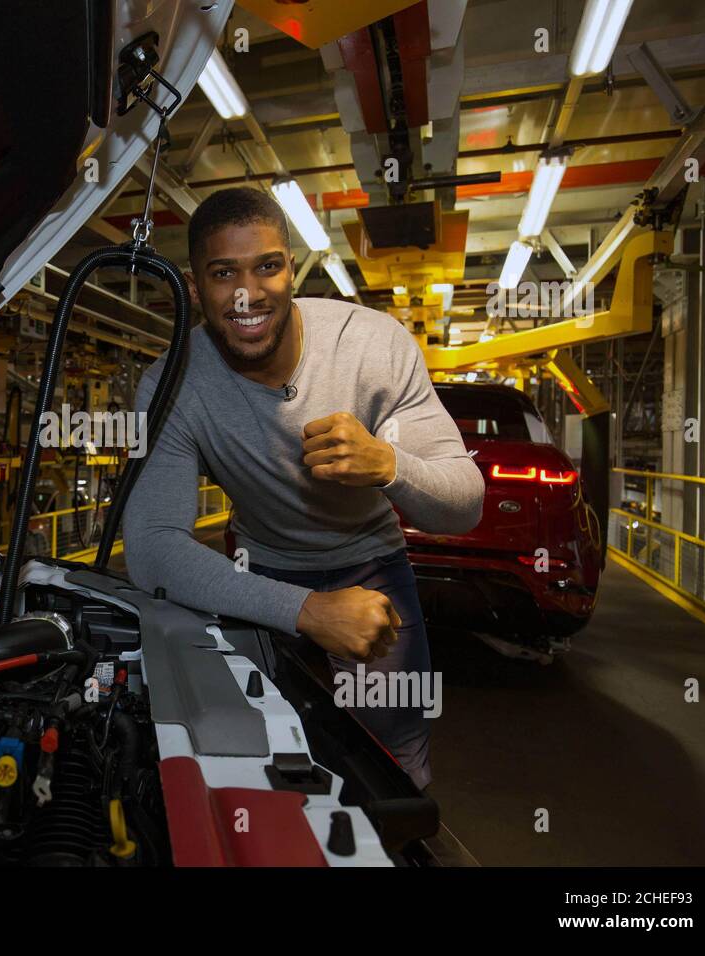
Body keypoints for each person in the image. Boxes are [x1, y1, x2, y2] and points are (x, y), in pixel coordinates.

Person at [121, 187, 484, 789]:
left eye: (266, 266)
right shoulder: (172, 385)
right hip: (259, 572)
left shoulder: (371, 345)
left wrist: (388, 463)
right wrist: (305, 610)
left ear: (292, 268)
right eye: (223, 273)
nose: (247, 293)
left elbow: (465, 503)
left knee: (396, 759)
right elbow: (153, 546)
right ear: (193, 287)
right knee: (269, 754)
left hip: (373, 568)